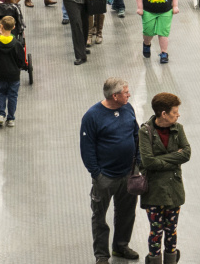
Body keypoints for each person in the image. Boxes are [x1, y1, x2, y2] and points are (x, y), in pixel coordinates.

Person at [80, 77, 141, 264]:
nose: (129, 94)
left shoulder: (127, 108)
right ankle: (101, 255)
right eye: (125, 92)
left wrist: (138, 163)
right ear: (115, 96)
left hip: (129, 173)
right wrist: (97, 174)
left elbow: (136, 135)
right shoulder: (92, 116)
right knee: (99, 217)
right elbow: (87, 148)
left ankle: (121, 246)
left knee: (127, 213)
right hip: (105, 177)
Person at [139, 92, 191, 264]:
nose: (178, 115)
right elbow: (147, 161)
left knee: (171, 229)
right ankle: (155, 260)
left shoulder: (178, 128)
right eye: (175, 112)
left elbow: (186, 154)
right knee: (156, 231)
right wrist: (173, 158)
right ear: (164, 114)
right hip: (154, 191)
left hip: (173, 189)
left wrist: (159, 160)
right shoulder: (145, 131)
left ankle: (170, 260)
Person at [0, 15, 25, 127]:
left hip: (1, 73)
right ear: (13, 27)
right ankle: (11, 118)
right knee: (12, 95)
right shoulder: (17, 44)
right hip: (14, 74)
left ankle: (0, 115)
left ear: (1, 26)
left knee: (2, 93)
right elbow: (21, 61)